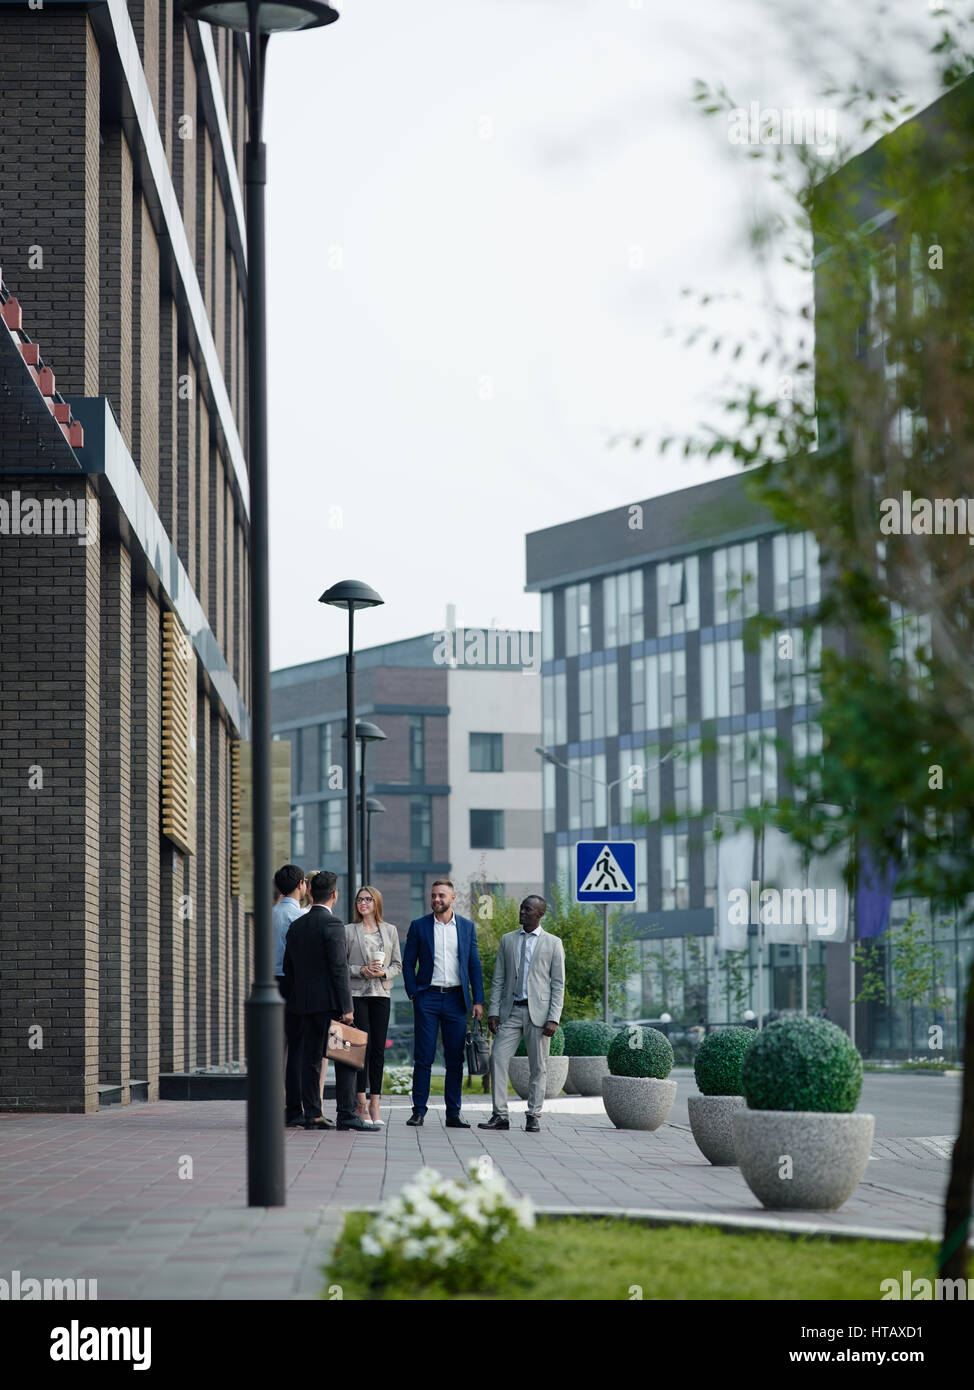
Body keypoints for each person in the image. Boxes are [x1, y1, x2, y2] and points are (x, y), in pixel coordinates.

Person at [283, 870, 381, 1133]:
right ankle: (346, 1114)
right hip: (330, 1006)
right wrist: (347, 1007)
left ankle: (313, 1114)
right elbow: (339, 968)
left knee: (310, 1060)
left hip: (303, 1005)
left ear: (311, 893)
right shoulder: (333, 925)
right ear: (335, 895)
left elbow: (288, 968)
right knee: (348, 1057)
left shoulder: (296, 926)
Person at [479, 895, 565, 1134]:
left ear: (539, 914)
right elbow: (498, 979)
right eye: (521, 907)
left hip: (539, 1014)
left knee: (539, 1066)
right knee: (497, 1057)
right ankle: (500, 1115)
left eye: (528, 909)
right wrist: (494, 1011)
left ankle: (533, 1115)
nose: (522, 912)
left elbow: (558, 984)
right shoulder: (507, 940)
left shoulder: (553, 943)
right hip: (511, 1011)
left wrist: (553, 1017)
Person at [402, 879, 484, 1128]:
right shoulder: (419, 926)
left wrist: (478, 1000)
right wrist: (414, 992)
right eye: (433, 896)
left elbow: (474, 965)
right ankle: (418, 1111)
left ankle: (453, 1113)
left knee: (454, 1059)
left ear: (453, 898)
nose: (436, 900)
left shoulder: (467, 927)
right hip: (427, 997)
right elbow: (408, 963)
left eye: (441, 896)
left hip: (456, 1000)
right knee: (423, 1057)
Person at [346, 885, 403, 1126]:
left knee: (378, 1049)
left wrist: (381, 974)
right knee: (362, 1049)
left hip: (381, 994)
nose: (363, 903)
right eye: (360, 899)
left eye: (368, 899)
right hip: (357, 995)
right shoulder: (348, 931)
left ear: (376, 903)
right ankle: (360, 1103)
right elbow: (342, 966)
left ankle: (375, 1103)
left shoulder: (390, 931)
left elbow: (398, 965)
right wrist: (361, 970)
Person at [274, 864, 315, 1128]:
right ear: (301, 883)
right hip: (292, 984)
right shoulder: (298, 917)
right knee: (297, 1049)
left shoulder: (270, 913)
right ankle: (293, 1108)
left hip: (268, 985)